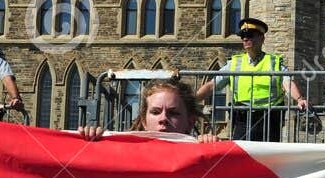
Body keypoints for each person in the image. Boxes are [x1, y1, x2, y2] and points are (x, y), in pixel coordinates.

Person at [195, 17, 309, 142]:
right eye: (242, 36)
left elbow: (287, 82)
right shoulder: (235, 63)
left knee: (268, 158)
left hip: (270, 119)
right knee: (242, 156)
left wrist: (299, 99)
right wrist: (192, 100)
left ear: (262, 38)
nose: (245, 38)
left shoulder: (274, 62)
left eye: (250, 35)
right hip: (243, 119)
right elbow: (212, 85)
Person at [78, 80, 219, 143]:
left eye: (173, 113)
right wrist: (89, 145)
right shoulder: (123, 152)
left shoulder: (202, 154)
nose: (163, 119)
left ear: (190, 122)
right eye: (156, 112)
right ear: (144, 121)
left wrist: (214, 152)